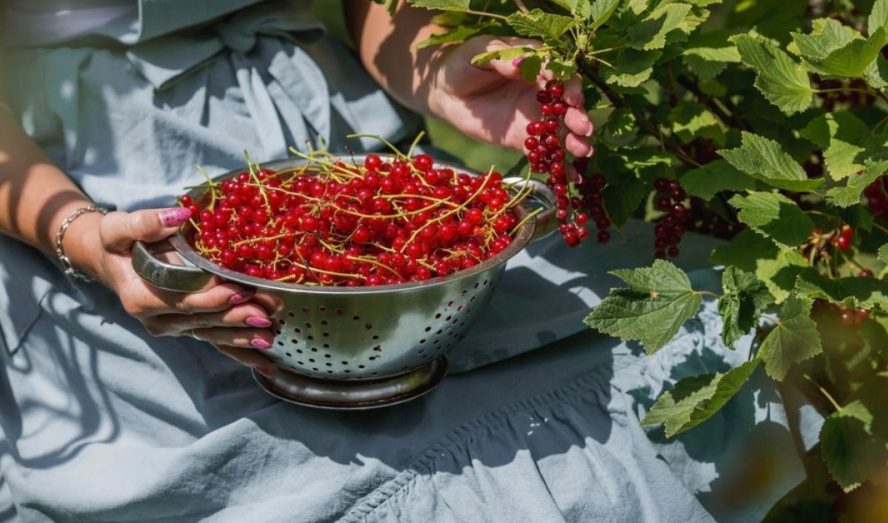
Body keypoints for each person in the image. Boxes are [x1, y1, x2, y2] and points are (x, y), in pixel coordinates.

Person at [0, 1, 818, 520]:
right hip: (98, 184)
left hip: (344, 138)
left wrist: (439, 71)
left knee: (724, 327)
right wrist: (77, 232)